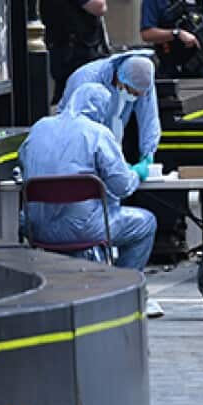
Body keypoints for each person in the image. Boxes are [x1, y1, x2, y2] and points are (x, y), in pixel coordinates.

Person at [19, 82, 164, 318]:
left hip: (36, 228)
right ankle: (124, 293)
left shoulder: (39, 128)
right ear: (101, 109)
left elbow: (25, 165)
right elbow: (122, 186)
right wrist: (137, 172)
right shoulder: (97, 133)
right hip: (84, 230)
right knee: (146, 223)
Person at [61, 49, 161, 174]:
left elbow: (149, 118)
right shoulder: (86, 79)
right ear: (121, 78)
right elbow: (76, 128)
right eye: (132, 92)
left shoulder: (142, 79)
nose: (134, 97)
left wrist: (147, 156)